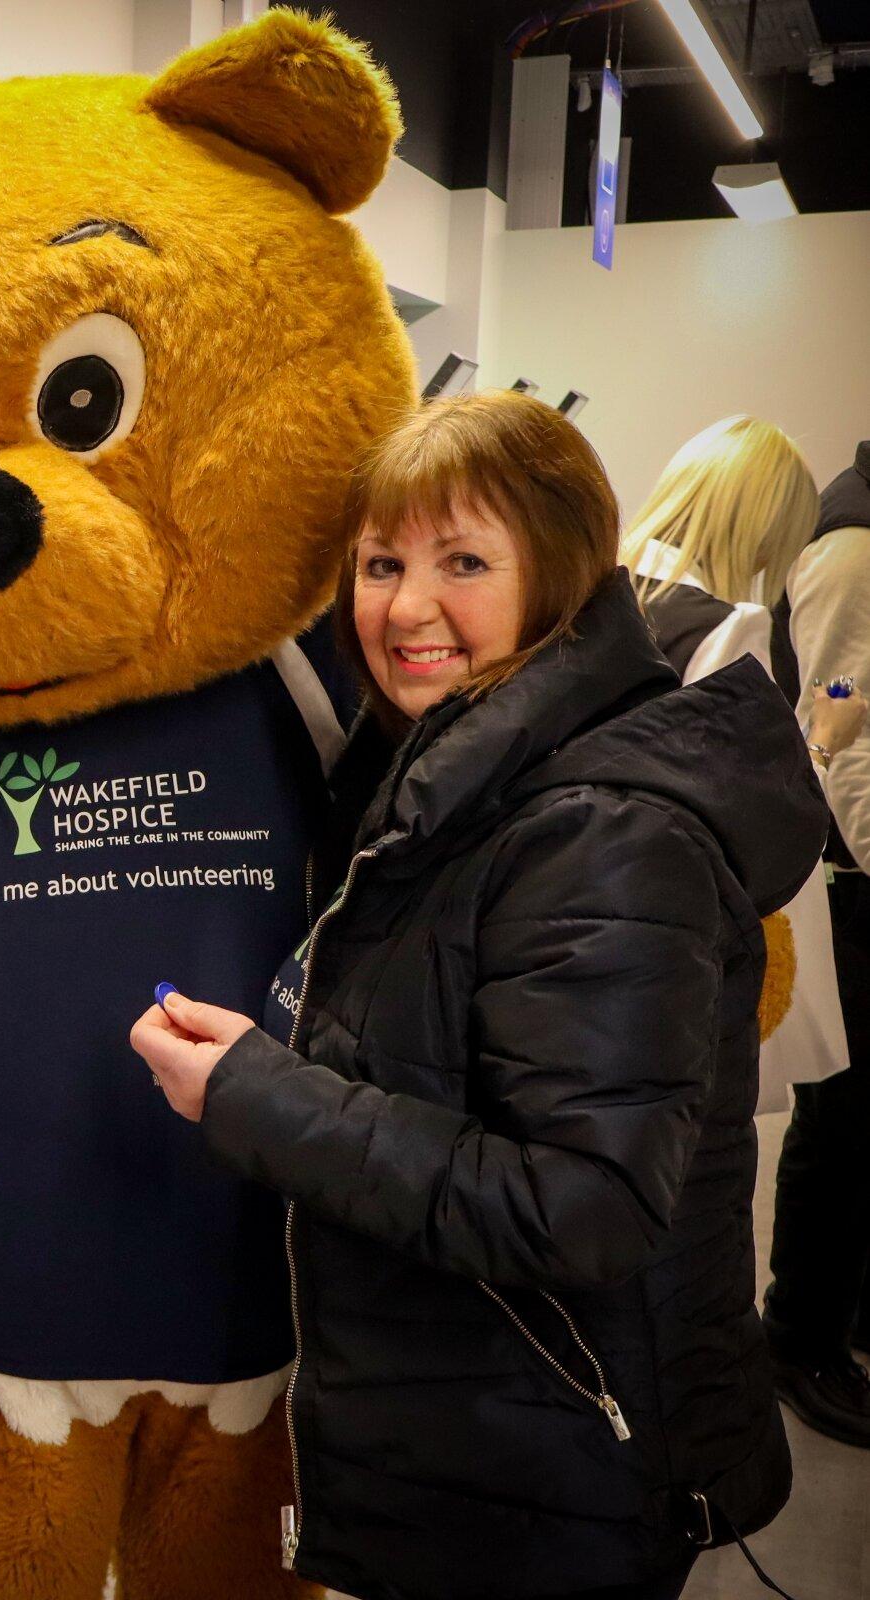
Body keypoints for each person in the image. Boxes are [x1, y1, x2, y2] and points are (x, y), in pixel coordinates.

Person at [130, 391, 828, 1600]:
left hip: (550, 1482)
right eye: (382, 562)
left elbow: (581, 1206)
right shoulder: (452, 767)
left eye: (463, 561)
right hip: (483, 1445)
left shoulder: (599, 831)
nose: (407, 606)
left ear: (557, 577)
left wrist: (258, 1094)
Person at [621, 414, 864, 1121]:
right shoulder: (728, 629)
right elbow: (748, 826)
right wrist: (819, 741)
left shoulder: (596, 594)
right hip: (675, 947)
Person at [760, 437, 870, 1445]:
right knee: (841, 1113)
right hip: (849, 881)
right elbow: (840, 719)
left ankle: (843, 1311)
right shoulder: (849, 545)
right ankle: (797, 1338)